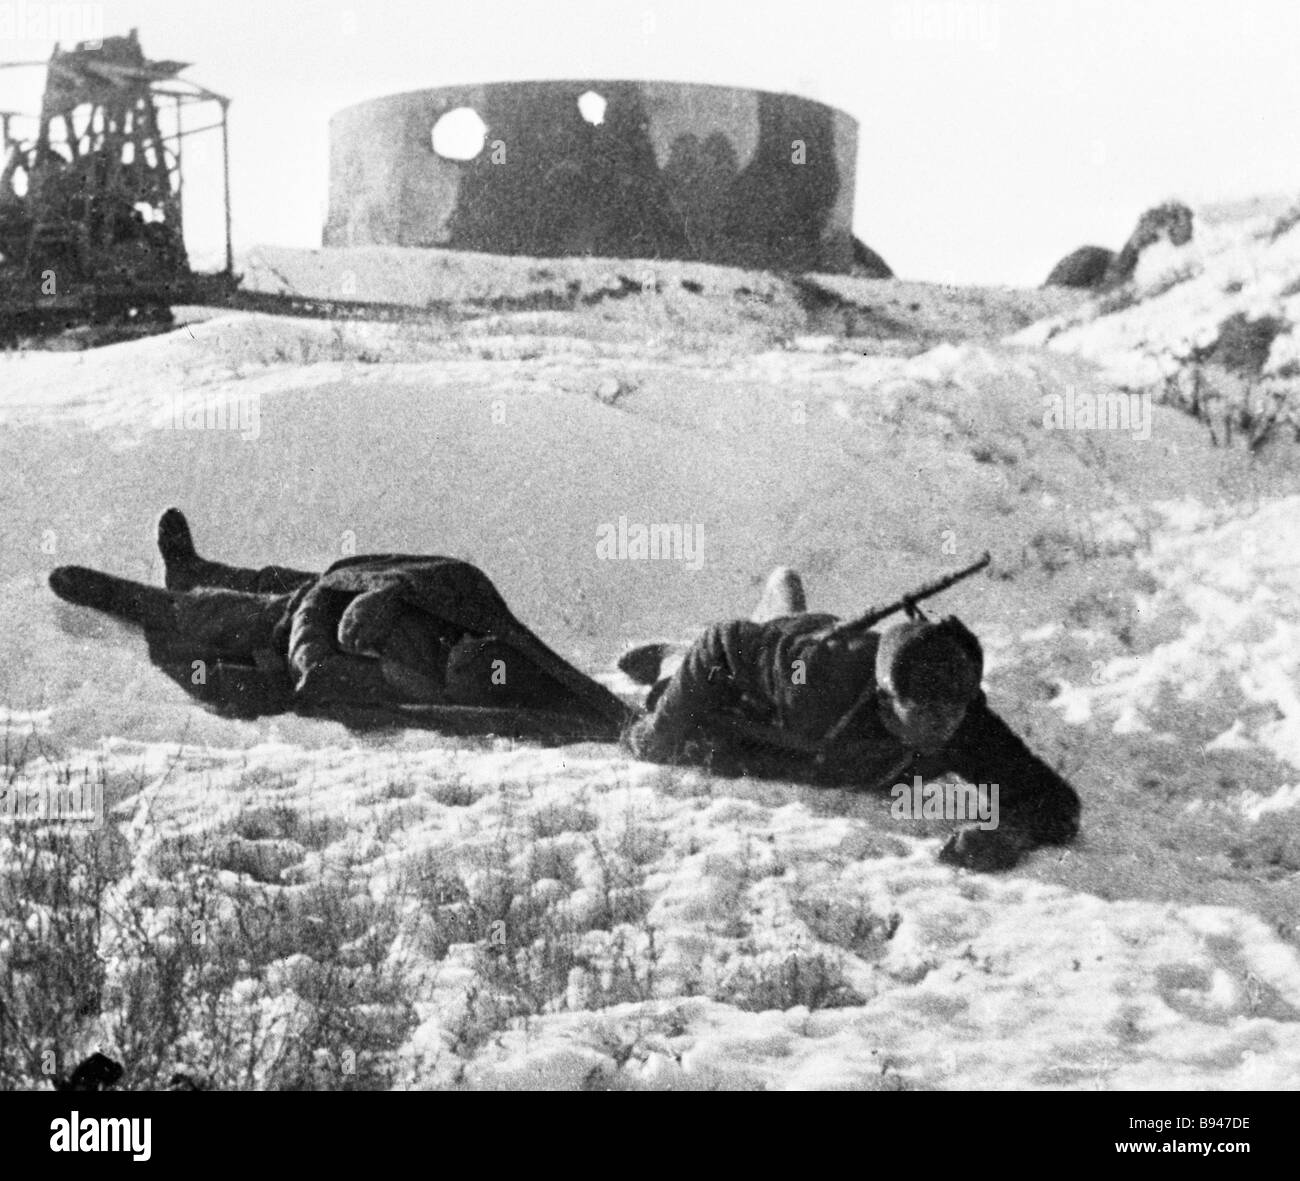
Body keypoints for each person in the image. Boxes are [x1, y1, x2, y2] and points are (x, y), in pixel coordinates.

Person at [622, 566, 1081, 871]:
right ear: (885, 698)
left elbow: (1055, 802)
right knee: (698, 691)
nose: (943, 726)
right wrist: (655, 735)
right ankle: (672, 656)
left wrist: (1009, 835)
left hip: (813, 671)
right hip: (798, 659)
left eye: (953, 710)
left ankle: (785, 598)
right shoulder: (819, 682)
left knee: (782, 633)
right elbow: (721, 643)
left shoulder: (964, 722)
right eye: (923, 711)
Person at [49, 509, 630, 734]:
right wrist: (379, 590)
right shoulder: (444, 604)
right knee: (283, 580)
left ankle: (141, 595)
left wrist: (319, 639)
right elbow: (442, 573)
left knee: (229, 612)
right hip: (330, 595)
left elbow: (317, 674)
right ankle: (194, 569)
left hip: (298, 620)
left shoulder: (422, 674)